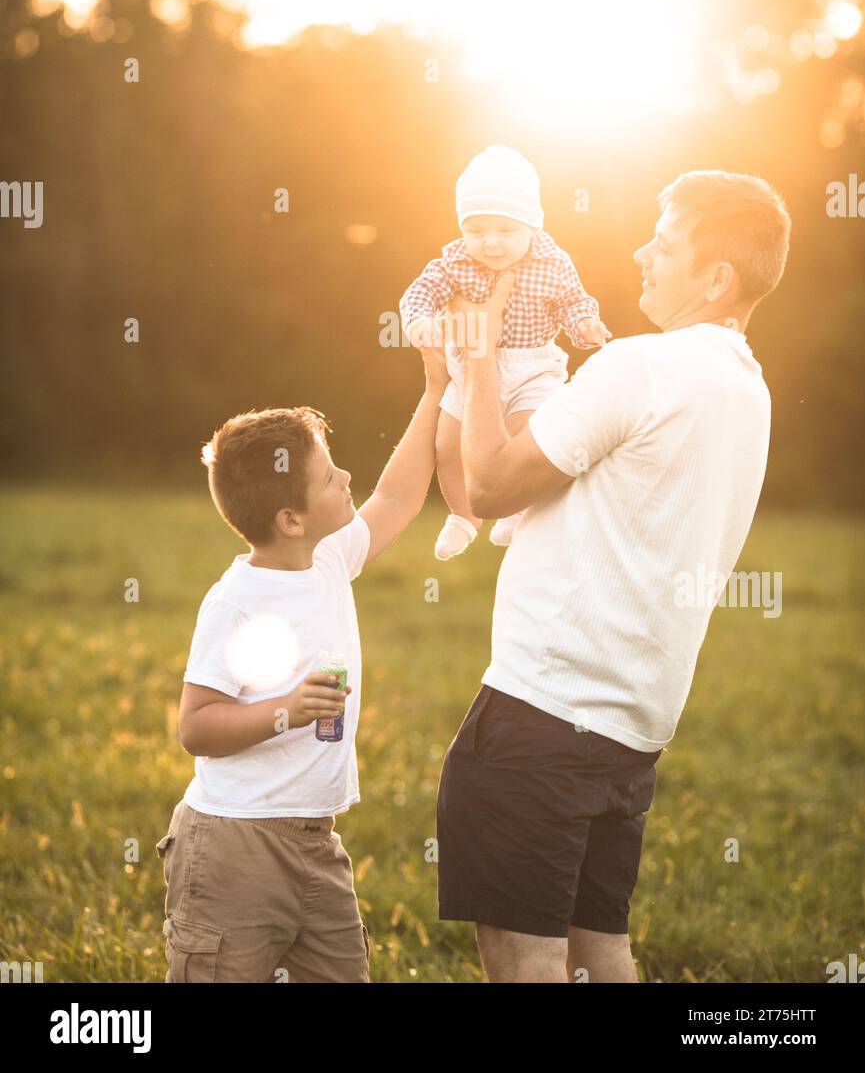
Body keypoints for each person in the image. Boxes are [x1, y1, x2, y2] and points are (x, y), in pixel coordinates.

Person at [435, 170, 792, 983]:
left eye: (664, 244)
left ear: (716, 279)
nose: (642, 253)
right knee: (599, 956)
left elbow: (487, 485)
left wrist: (480, 360)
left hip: (543, 714)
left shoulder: (643, 367)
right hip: (631, 729)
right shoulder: (747, 390)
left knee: (527, 961)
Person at [154, 343, 448, 982]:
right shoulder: (236, 601)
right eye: (330, 478)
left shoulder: (328, 559)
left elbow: (396, 500)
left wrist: (435, 392)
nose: (347, 480)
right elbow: (195, 727)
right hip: (235, 846)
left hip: (316, 844)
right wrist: (283, 713)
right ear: (290, 519)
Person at [399, 144, 609, 559]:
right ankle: (463, 515)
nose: (490, 243)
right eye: (476, 231)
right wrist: (419, 319)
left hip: (532, 368)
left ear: (532, 224)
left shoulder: (552, 262)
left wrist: (585, 325)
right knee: (448, 445)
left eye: (505, 231)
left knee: (522, 435)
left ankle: (516, 510)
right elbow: (421, 291)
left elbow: (573, 301)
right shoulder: (454, 262)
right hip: (472, 368)